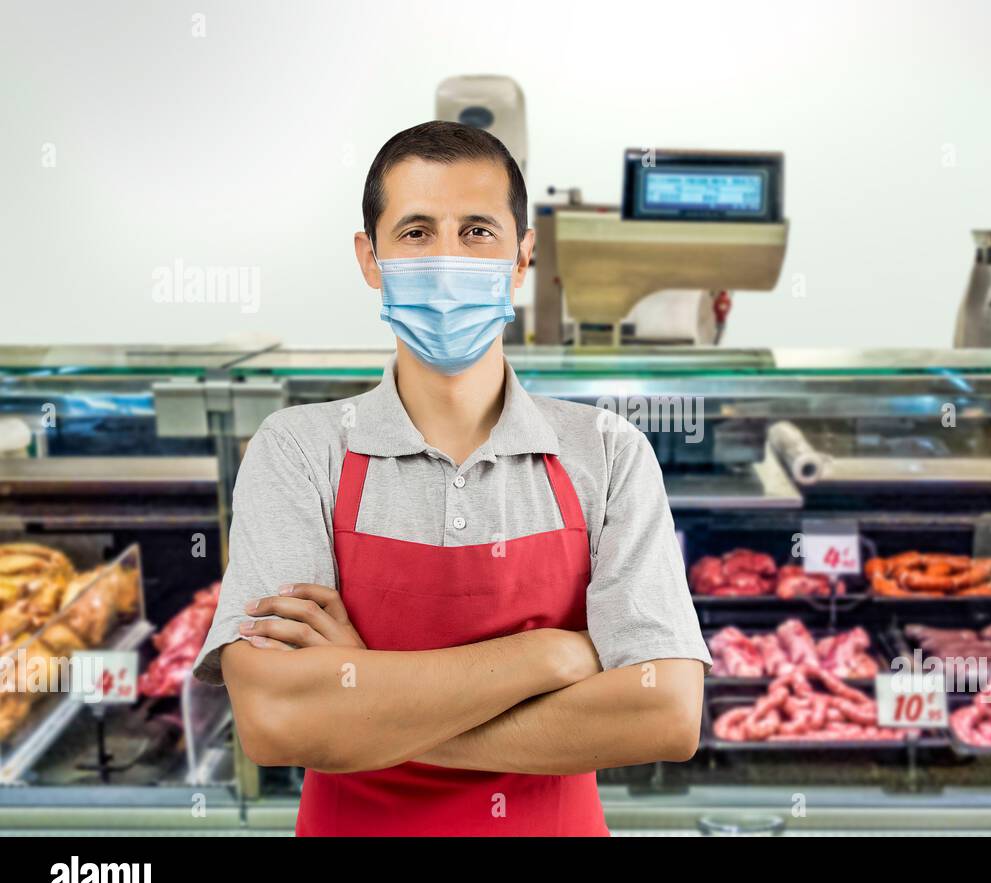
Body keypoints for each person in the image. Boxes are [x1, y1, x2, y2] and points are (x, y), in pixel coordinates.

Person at [191, 121, 712, 836]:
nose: (446, 259)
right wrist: (551, 654)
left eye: (476, 232)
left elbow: (666, 714)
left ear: (523, 258)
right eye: (415, 232)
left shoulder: (607, 452)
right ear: (369, 258)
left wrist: (364, 711)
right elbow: (278, 720)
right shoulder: (299, 451)